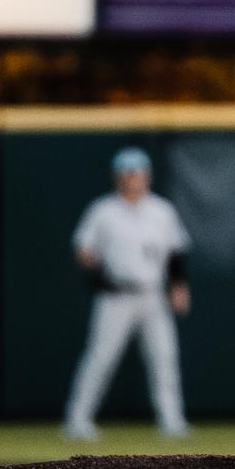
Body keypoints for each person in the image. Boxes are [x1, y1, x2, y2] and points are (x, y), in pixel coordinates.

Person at [65, 147, 193, 441]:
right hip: (116, 295)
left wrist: (179, 287)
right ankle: (78, 419)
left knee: (163, 357)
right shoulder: (103, 210)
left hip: (153, 294)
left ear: (147, 175)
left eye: (138, 173)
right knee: (101, 356)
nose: (133, 179)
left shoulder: (162, 210)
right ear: (118, 176)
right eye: (128, 173)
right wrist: (97, 272)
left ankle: (172, 421)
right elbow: (83, 250)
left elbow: (177, 252)